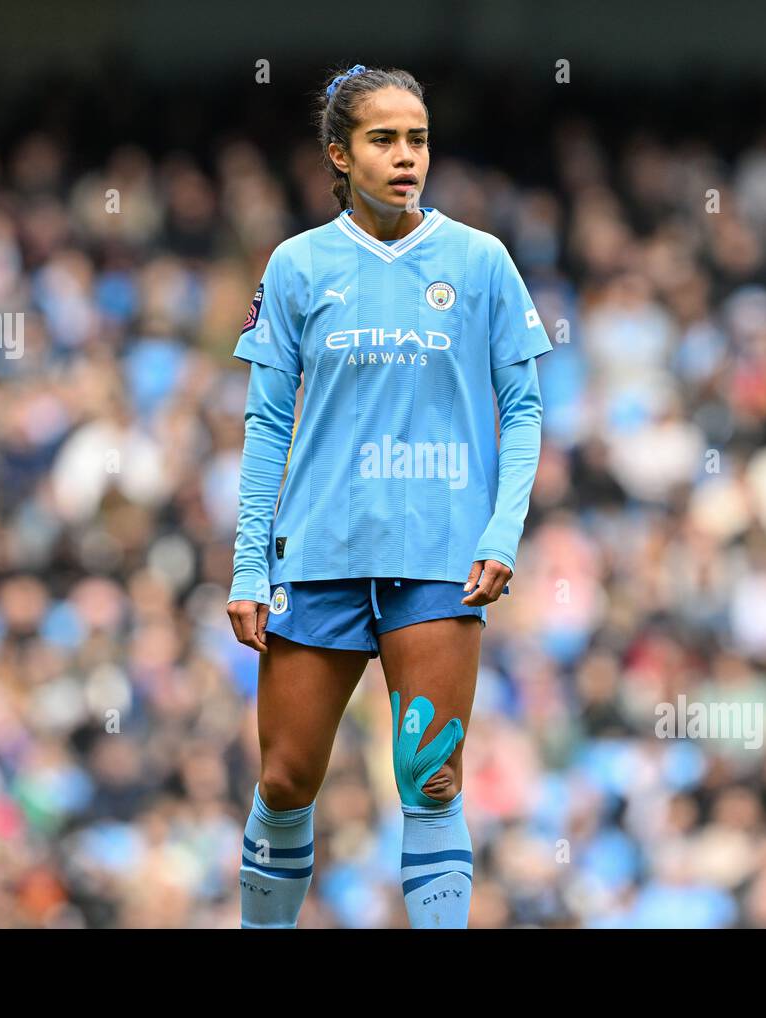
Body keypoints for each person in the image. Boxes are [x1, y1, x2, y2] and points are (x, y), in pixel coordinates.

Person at [226, 63, 552, 929]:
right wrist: (246, 565)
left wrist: (503, 531)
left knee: (432, 778)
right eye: (383, 139)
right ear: (340, 153)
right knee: (287, 781)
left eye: (418, 138)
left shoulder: (480, 262)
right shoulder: (297, 267)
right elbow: (266, 427)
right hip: (321, 549)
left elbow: (523, 409)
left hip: (439, 551)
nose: (406, 156)